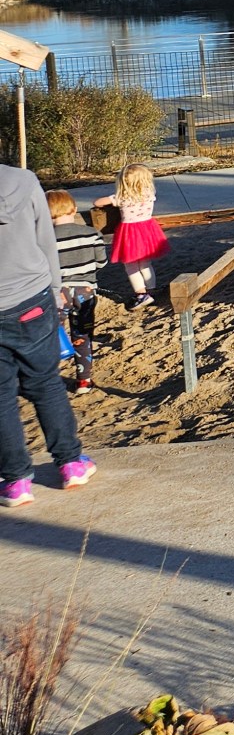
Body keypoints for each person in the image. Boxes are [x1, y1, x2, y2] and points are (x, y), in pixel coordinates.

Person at [0, 164, 94, 508]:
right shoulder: (23, 181)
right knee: (46, 382)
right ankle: (70, 463)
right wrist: (55, 288)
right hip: (31, 297)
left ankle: (15, 481)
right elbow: (45, 240)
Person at [46, 190, 105, 393]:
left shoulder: (46, 239)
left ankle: (50, 378)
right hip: (85, 290)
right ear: (74, 209)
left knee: (55, 334)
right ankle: (84, 380)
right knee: (82, 334)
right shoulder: (91, 234)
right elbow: (101, 262)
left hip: (57, 293)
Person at [102, 163, 166, 308]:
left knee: (131, 265)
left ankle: (141, 294)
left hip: (130, 233)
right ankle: (151, 289)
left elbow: (98, 202)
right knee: (145, 263)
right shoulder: (149, 194)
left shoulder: (122, 197)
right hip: (147, 230)